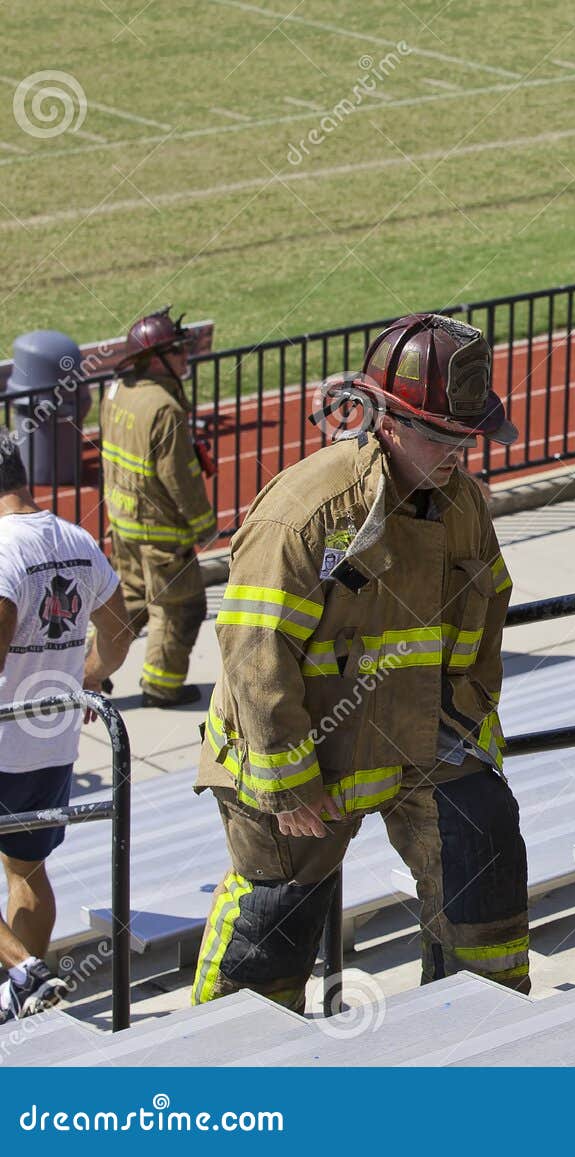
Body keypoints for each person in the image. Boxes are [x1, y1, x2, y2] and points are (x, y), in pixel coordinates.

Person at [190, 313, 529, 1009]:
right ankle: (226, 1078)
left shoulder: (462, 505)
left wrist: (465, 723)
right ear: (386, 419)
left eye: (467, 435)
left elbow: (489, 608)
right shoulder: (307, 512)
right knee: (271, 927)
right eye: (440, 435)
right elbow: (255, 650)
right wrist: (289, 780)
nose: (458, 452)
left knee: (483, 854)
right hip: (302, 753)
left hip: (419, 744)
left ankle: (487, 1039)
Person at [0, 431, 132, 1022]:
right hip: (52, 741)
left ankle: (24, 971)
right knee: (27, 871)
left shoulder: (2, 554)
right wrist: (88, 681)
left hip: (4, 740)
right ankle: (20, 990)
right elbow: (121, 634)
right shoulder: (77, 540)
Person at [99, 307, 217, 707]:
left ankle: (86, 672)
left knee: (129, 604)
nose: (186, 357)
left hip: (123, 523)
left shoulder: (117, 392)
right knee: (180, 608)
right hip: (161, 534)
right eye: (178, 351)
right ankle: (163, 687)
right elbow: (180, 477)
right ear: (155, 357)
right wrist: (204, 527)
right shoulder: (164, 408)